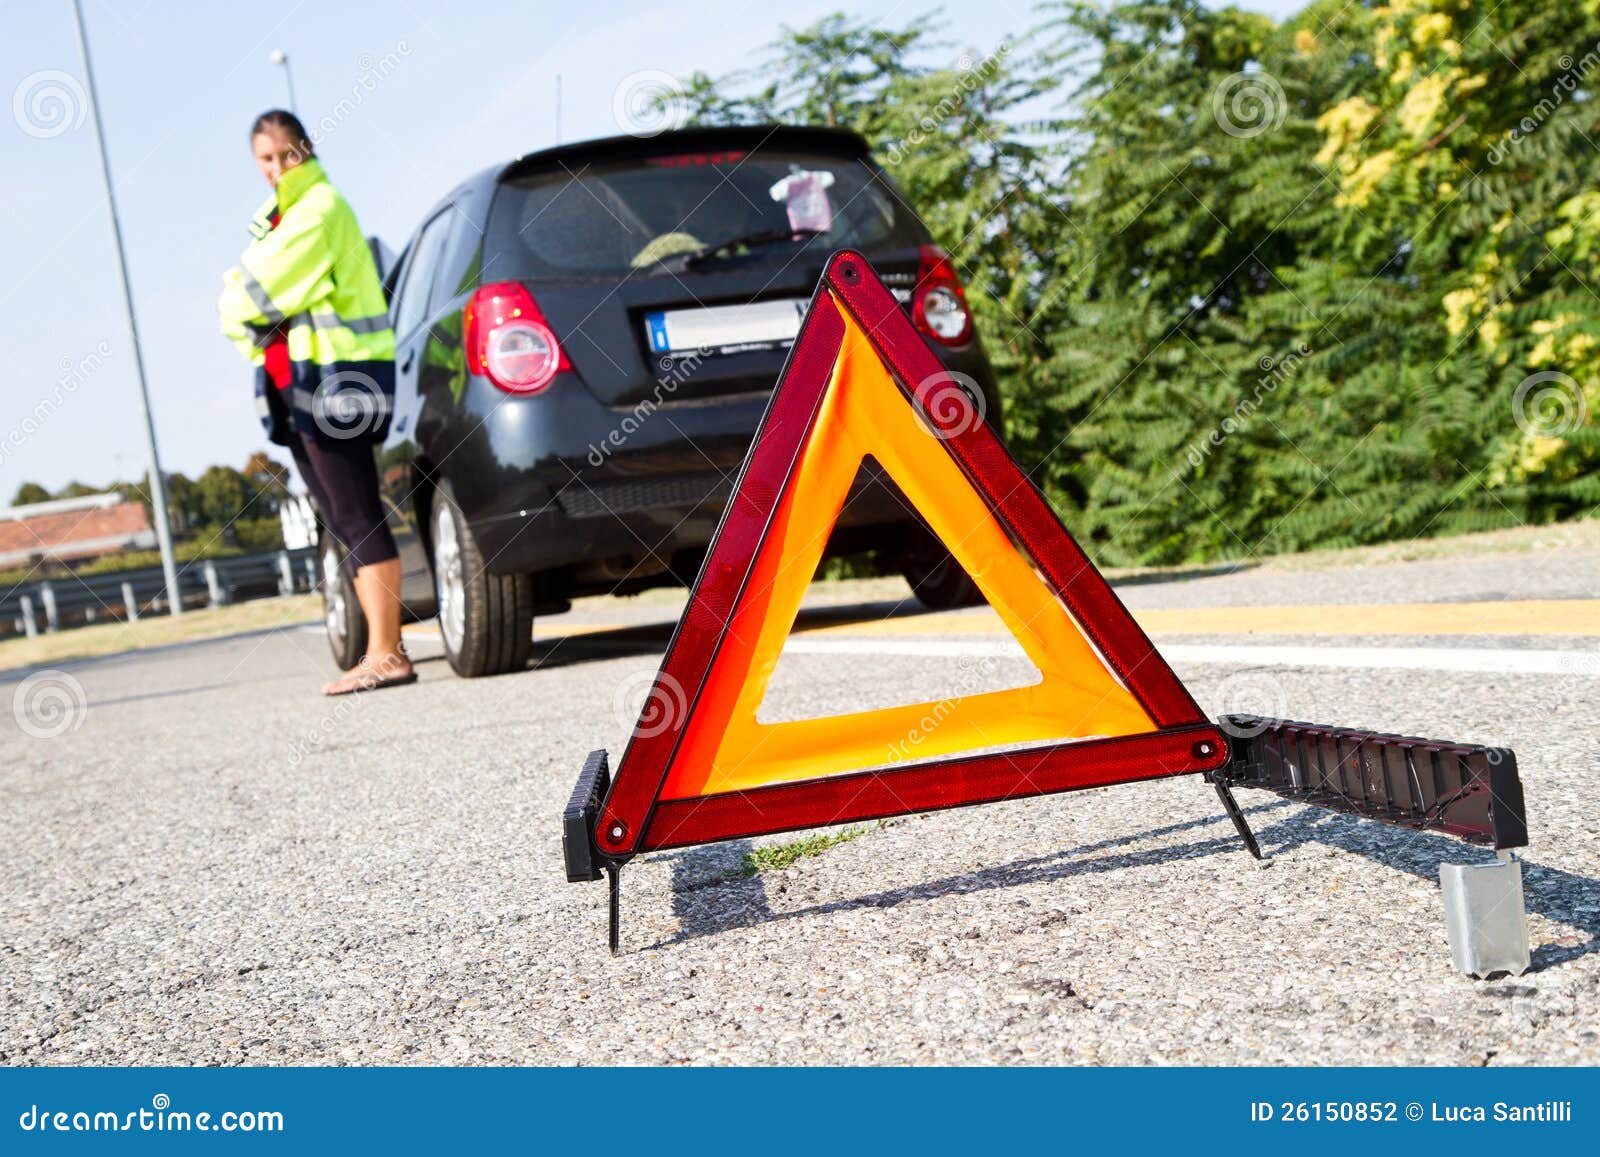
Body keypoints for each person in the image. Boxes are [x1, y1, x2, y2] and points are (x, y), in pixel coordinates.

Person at [219, 110, 413, 695]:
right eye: (265, 158)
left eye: (286, 153)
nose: (276, 166)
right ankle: (378, 651)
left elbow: (250, 296)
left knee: (357, 511)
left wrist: (236, 295)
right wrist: (243, 301)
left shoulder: (318, 209)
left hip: (337, 382)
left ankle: (387, 654)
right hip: (301, 384)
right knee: (340, 516)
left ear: (305, 149)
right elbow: (249, 303)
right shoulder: (280, 216)